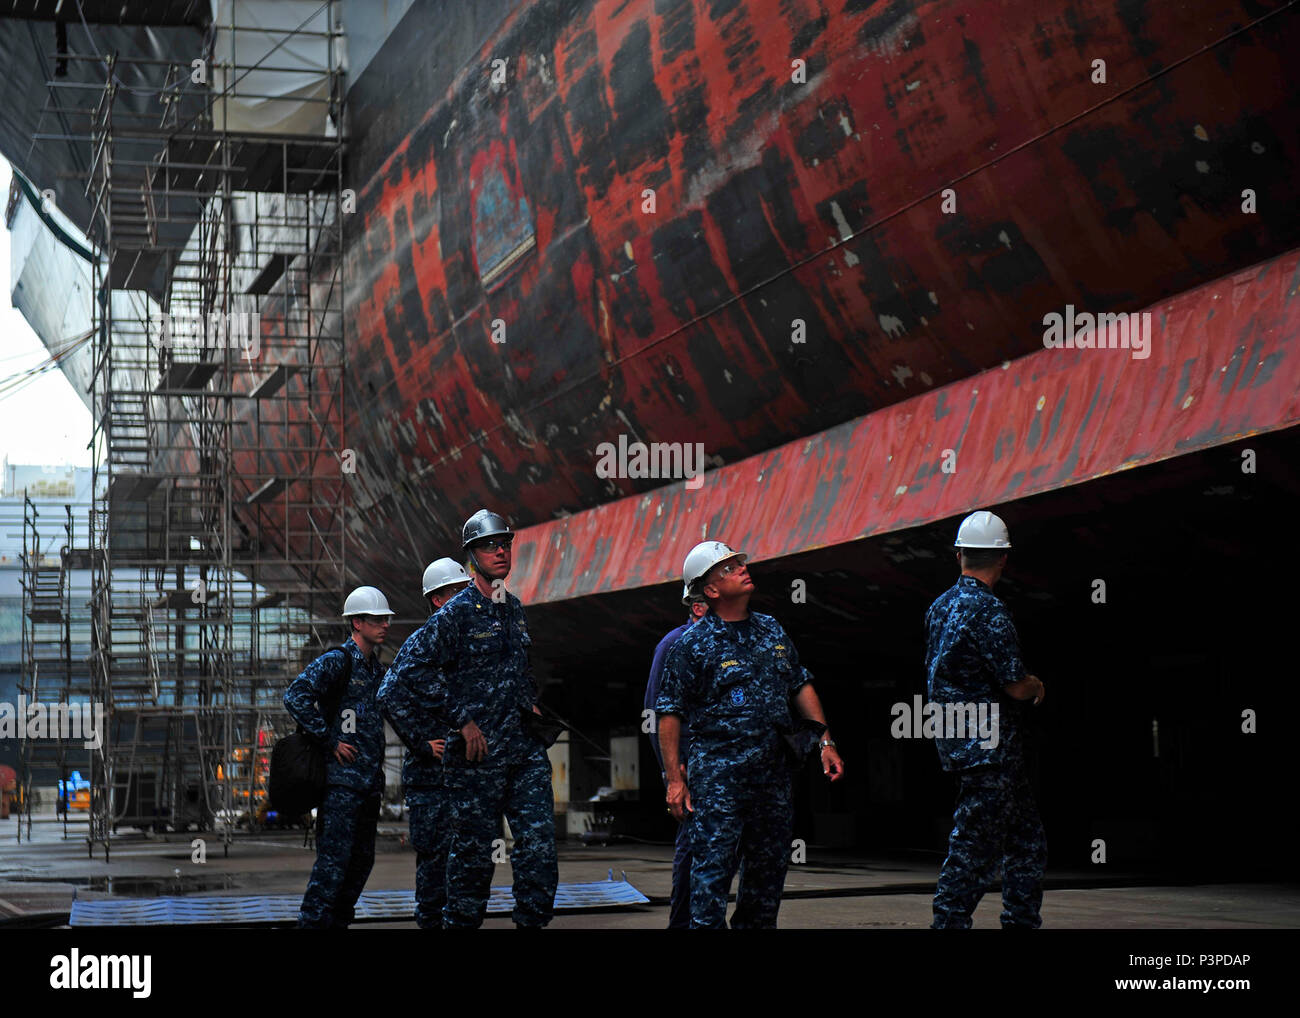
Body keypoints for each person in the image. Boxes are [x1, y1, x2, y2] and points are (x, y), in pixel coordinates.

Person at [655, 541, 845, 929]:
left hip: (772, 784)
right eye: (728, 568)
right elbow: (669, 714)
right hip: (719, 787)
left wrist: (826, 741)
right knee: (709, 887)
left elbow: (800, 685)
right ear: (709, 590)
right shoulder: (691, 646)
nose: (742, 568)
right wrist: (675, 781)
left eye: (739, 562)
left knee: (765, 886)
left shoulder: (771, 630)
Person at [394, 509, 558, 929]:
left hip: (523, 753)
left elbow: (520, 668)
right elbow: (410, 670)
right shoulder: (456, 613)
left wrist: (531, 703)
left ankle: (532, 923)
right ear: (472, 555)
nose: (500, 551)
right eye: (490, 545)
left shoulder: (514, 608)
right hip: (476, 760)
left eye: (505, 543)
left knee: (539, 849)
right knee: (472, 859)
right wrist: (462, 720)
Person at [925, 510, 1047, 929]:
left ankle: (1020, 922)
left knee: (1026, 839)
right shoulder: (990, 611)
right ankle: (949, 923)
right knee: (975, 846)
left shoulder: (939, 608)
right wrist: (1036, 686)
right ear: (1004, 559)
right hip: (989, 746)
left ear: (959, 554)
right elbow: (1014, 684)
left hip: (957, 737)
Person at [284, 586, 394, 928]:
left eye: (386, 618)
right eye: (376, 619)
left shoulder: (377, 671)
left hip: (368, 786)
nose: (385, 624)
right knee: (332, 867)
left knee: (361, 864)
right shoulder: (338, 661)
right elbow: (296, 695)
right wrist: (330, 740)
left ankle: (337, 925)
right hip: (342, 785)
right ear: (357, 623)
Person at [378, 557, 472, 929]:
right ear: (438, 600)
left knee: (463, 861)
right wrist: (420, 743)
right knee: (434, 867)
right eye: (457, 592)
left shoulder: (465, 643)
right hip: (431, 780)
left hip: (462, 775)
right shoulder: (426, 642)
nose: (466, 599)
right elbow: (388, 694)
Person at [643, 594, 709, 929]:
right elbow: (656, 714)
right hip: (690, 770)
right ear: (697, 606)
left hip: (728, 769)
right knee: (693, 852)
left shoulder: (738, 641)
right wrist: (672, 775)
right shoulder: (673, 645)